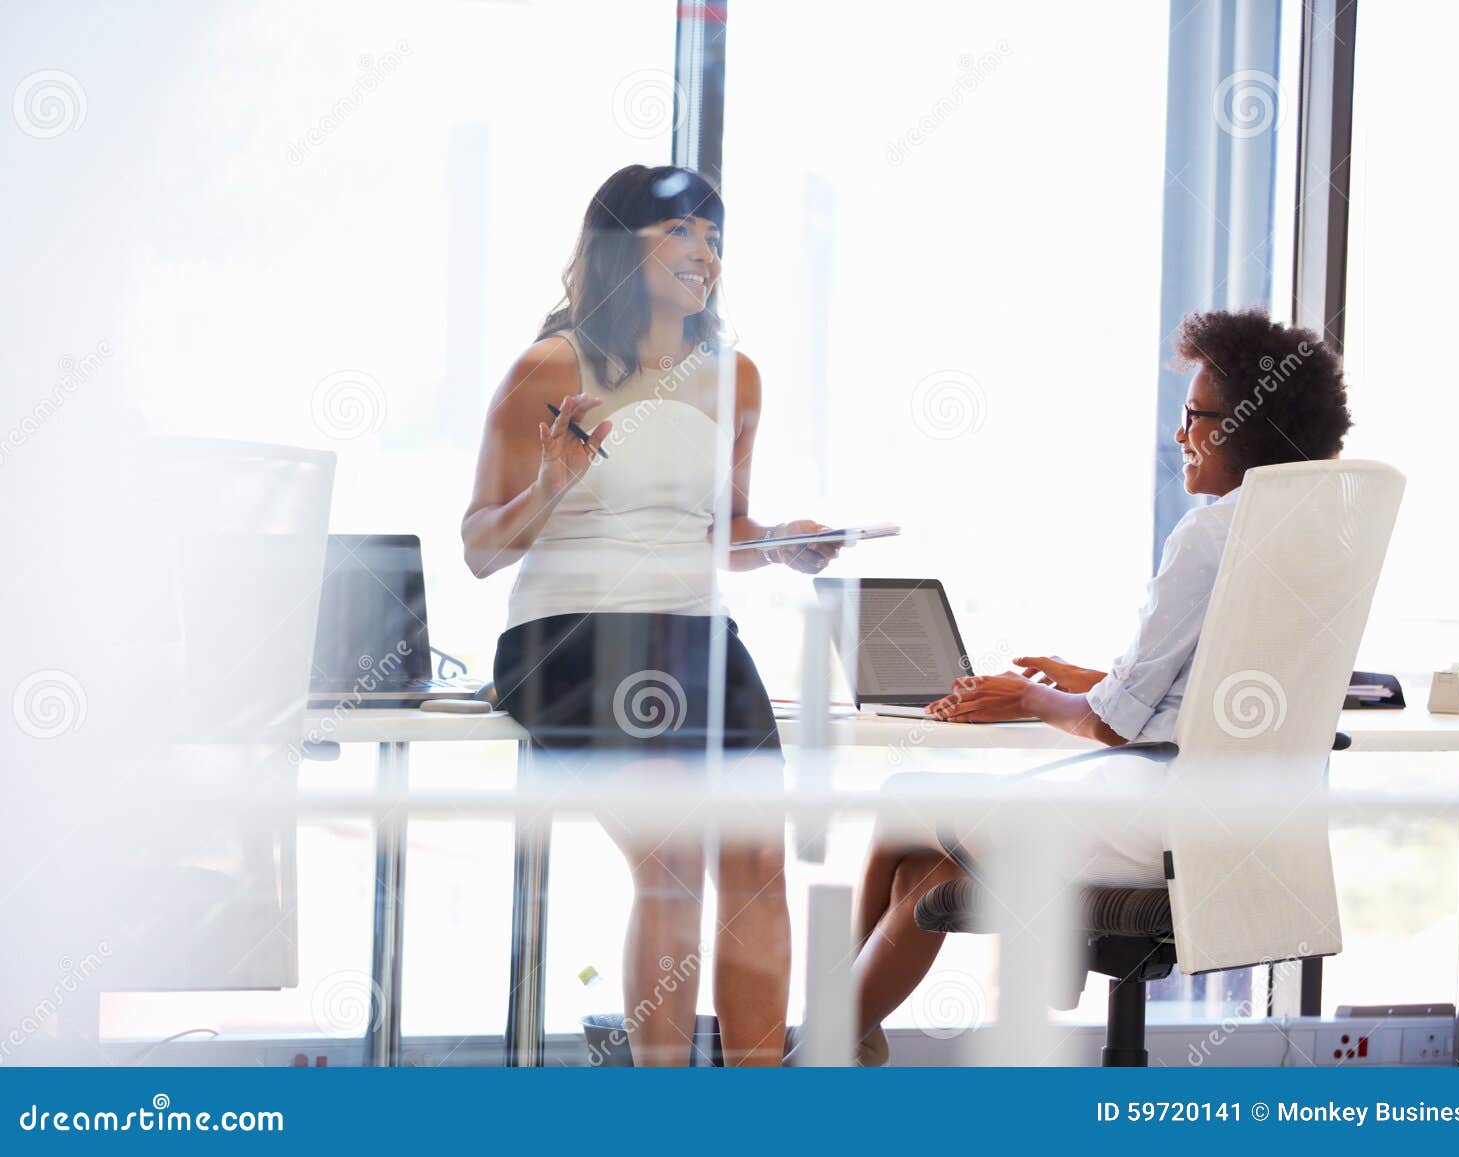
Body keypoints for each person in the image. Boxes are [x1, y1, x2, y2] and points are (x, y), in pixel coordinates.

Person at [848, 309, 1354, 1064]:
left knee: (901, 801)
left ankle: (832, 1037)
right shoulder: (1321, 533)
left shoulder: (1209, 534)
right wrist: (1097, 681)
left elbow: (1112, 725)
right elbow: (1216, 692)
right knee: (933, 868)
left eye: (1194, 415)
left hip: (1159, 828)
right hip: (1249, 822)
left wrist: (1027, 697)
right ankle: (836, 1042)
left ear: (1243, 426)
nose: (1180, 434)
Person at [462, 165, 839, 1066]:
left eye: (713, 234)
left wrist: (780, 542)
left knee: (757, 862)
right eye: (679, 231)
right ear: (617, 249)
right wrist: (550, 488)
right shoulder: (550, 368)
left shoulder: (736, 378)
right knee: (672, 857)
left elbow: (723, 532)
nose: (704, 250)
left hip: (696, 633)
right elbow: (480, 546)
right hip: (571, 635)